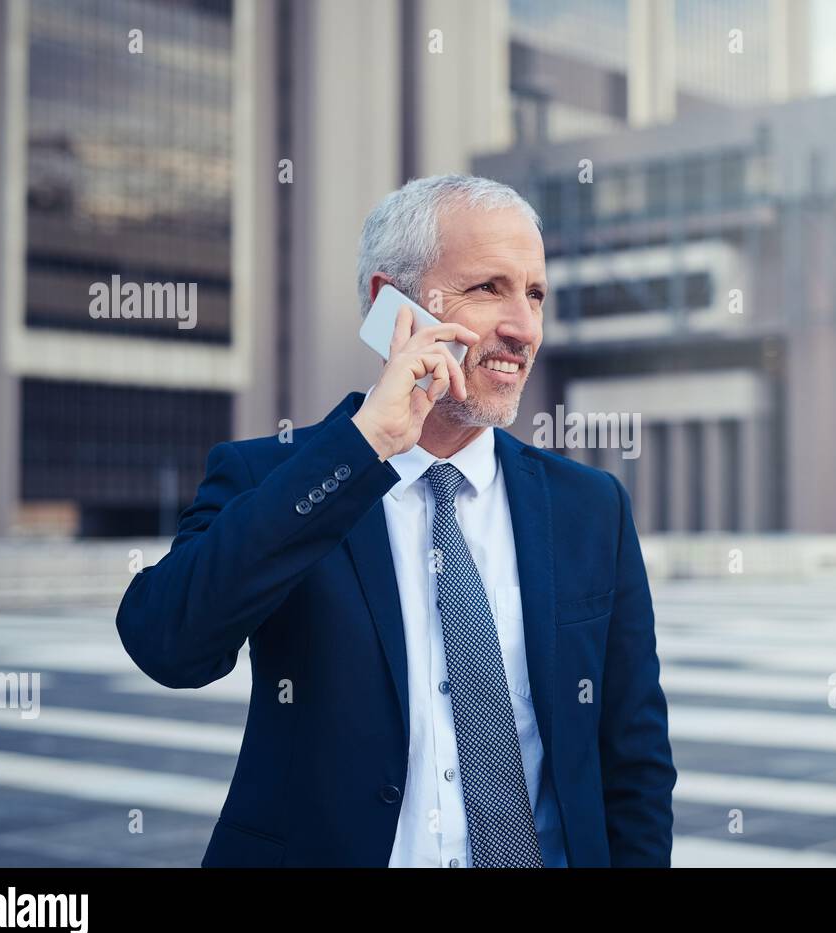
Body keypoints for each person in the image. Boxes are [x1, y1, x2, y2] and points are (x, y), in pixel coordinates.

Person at [116, 174, 677, 867]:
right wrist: (362, 448)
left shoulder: (590, 507)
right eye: (488, 288)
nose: (524, 327)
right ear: (391, 305)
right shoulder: (275, 478)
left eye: (534, 293)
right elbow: (166, 642)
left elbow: (635, 760)